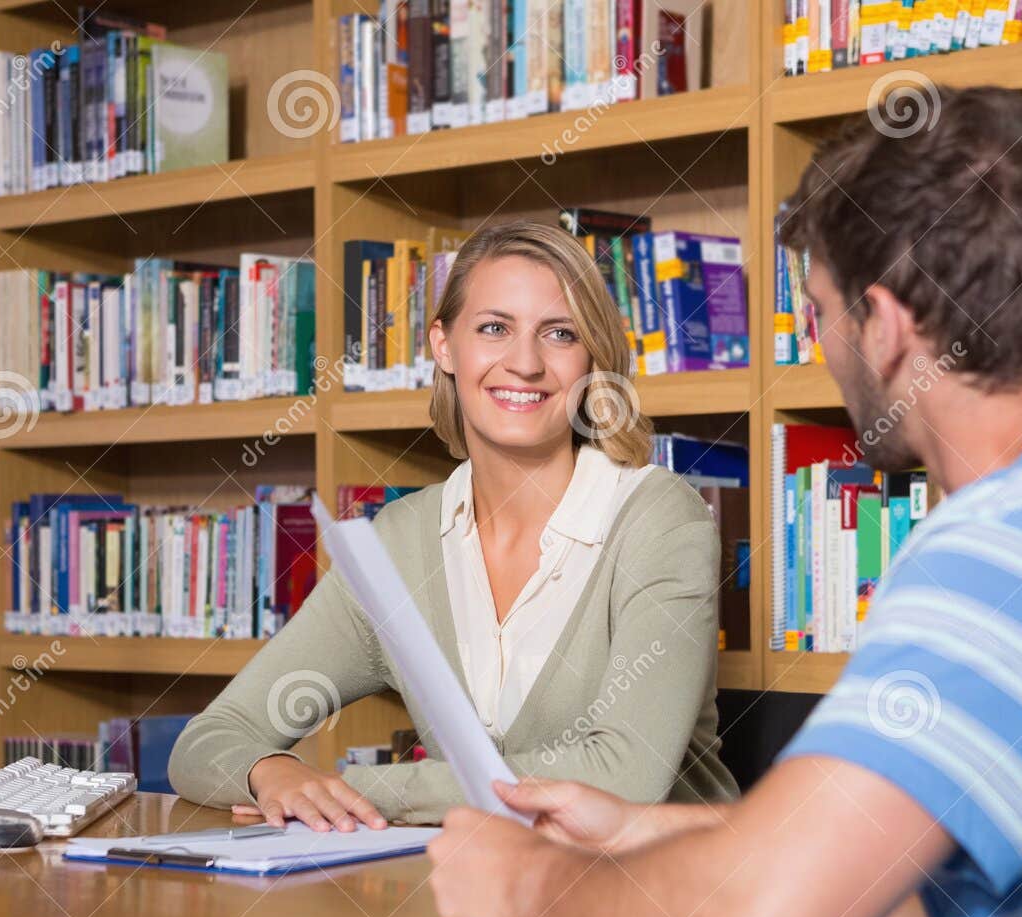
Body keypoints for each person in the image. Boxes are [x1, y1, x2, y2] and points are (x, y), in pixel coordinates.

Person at [428, 86, 1022, 917]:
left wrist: (523, 879)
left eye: (818, 311)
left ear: (887, 324)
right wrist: (643, 830)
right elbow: (935, 837)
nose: (819, 347)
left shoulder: (1013, 554)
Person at [170, 220, 737, 830]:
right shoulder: (400, 543)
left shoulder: (659, 520)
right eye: (494, 328)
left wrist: (353, 790)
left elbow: (624, 774)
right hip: (484, 891)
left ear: (590, 360)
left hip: (664, 901)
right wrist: (270, 772)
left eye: (559, 334)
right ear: (444, 345)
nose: (524, 363)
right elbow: (208, 743)